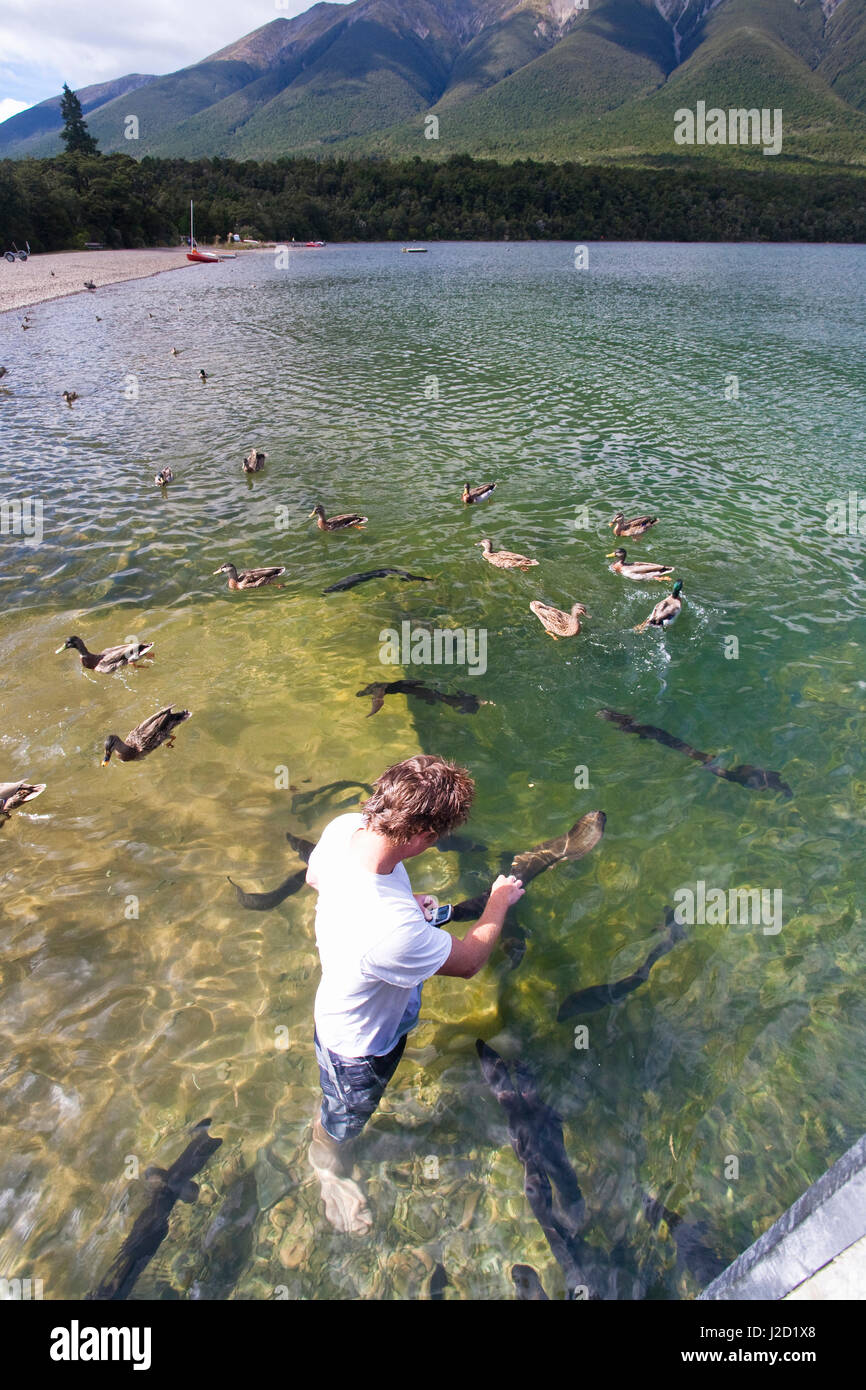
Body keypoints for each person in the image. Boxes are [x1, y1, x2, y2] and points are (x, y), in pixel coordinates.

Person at [305, 753, 524, 1234]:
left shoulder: (347, 829)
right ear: (423, 836)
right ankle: (324, 1169)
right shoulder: (390, 930)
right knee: (343, 1117)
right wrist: (498, 901)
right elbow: (468, 963)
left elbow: (315, 877)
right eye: (436, 836)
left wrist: (405, 905)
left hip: (342, 1006)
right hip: (358, 1048)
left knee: (345, 1102)